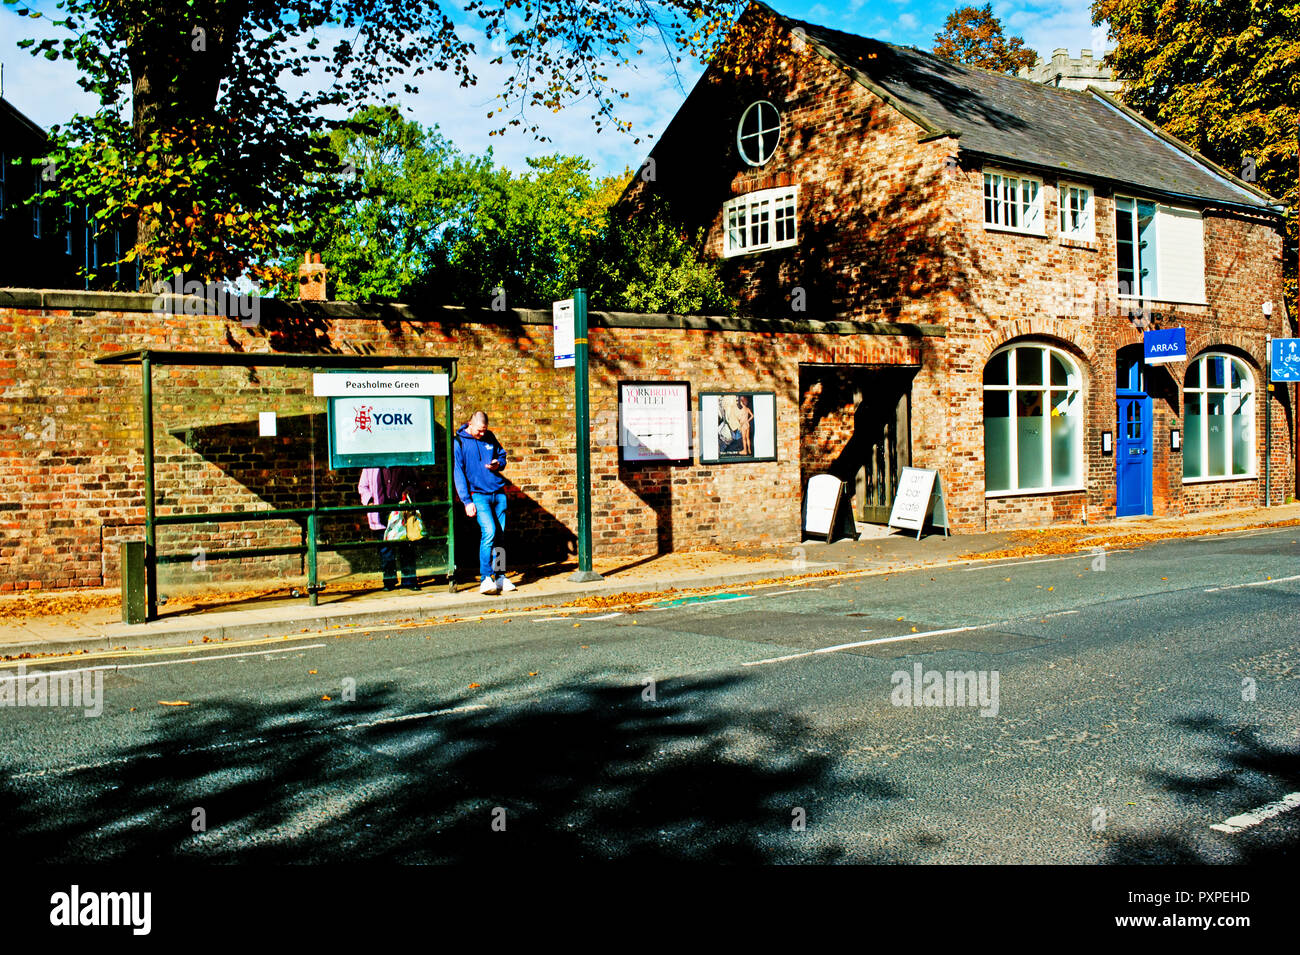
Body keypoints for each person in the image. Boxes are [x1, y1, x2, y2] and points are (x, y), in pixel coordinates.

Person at [453, 411, 515, 595]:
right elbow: (458, 473)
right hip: (478, 495)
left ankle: (501, 576)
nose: (482, 434)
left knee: (500, 535)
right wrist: (466, 501)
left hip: (498, 493)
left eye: (485, 430)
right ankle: (486, 578)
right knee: (489, 532)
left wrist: (498, 463)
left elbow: (502, 455)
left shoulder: (490, 437)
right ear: (469, 424)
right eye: (479, 431)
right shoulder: (460, 442)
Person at [359, 465, 420, 591]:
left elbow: (413, 482)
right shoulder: (371, 465)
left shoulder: (403, 463)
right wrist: (370, 501)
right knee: (386, 550)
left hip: (401, 508)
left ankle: (409, 580)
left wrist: (408, 491)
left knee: (406, 547)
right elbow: (363, 486)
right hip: (381, 510)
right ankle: (389, 581)